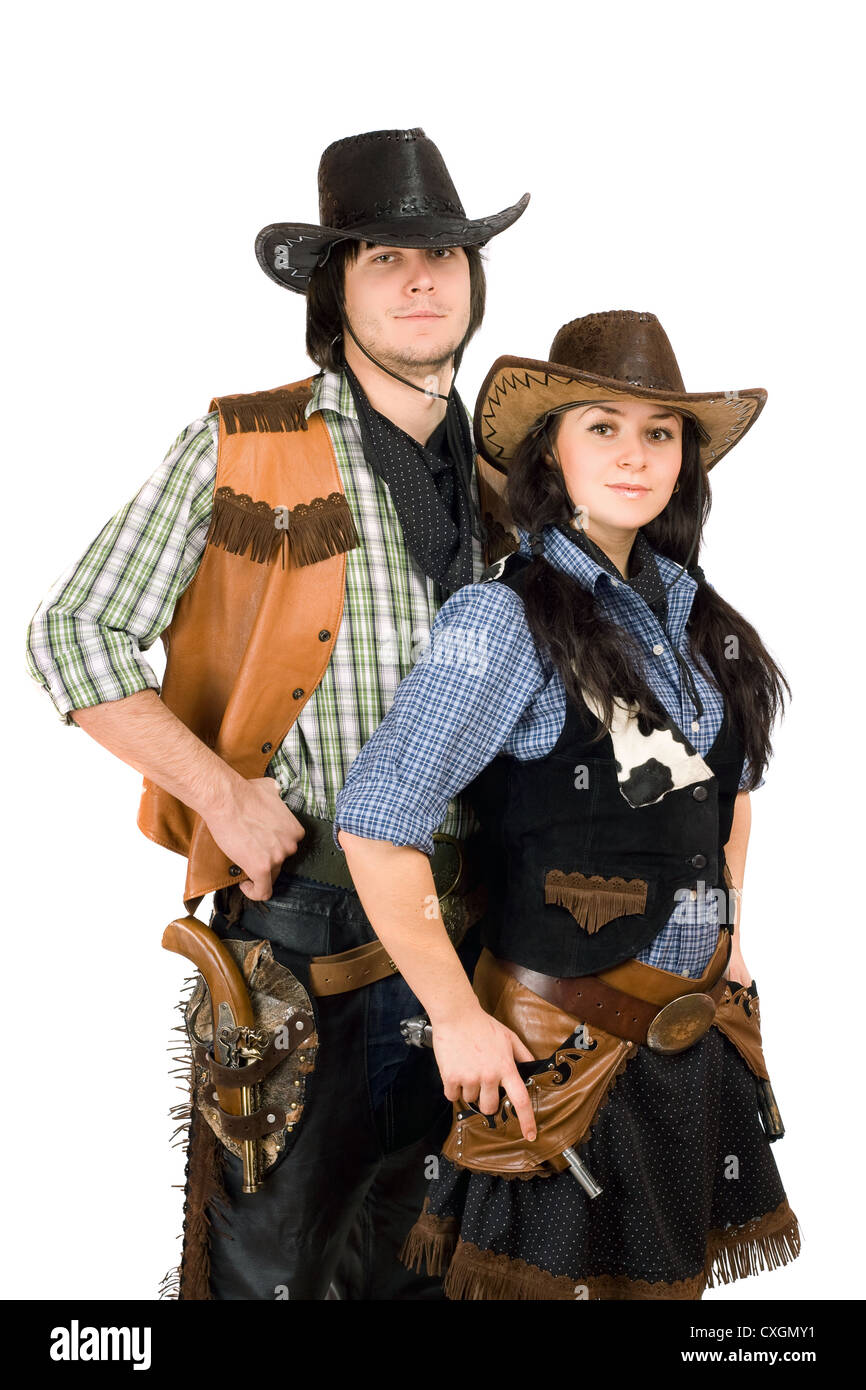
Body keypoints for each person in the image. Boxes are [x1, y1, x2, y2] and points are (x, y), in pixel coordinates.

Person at [24, 127, 529, 1300]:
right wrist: (219, 792)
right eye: (386, 257)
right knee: (271, 1280)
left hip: (478, 942)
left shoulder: (513, 476)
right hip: (300, 940)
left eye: (445, 256)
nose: (421, 278)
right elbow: (71, 632)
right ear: (332, 290)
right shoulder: (246, 443)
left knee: (438, 1268)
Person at [334, 309, 802, 1300]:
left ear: (683, 460)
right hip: (559, 1056)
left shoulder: (697, 618)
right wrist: (455, 1016)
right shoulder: (501, 617)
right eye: (601, 426)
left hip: (692, 1035)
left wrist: (729, 936)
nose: (633, 455)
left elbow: (729, 800)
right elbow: (378, 820)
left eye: (657, 432)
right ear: (550, 448)